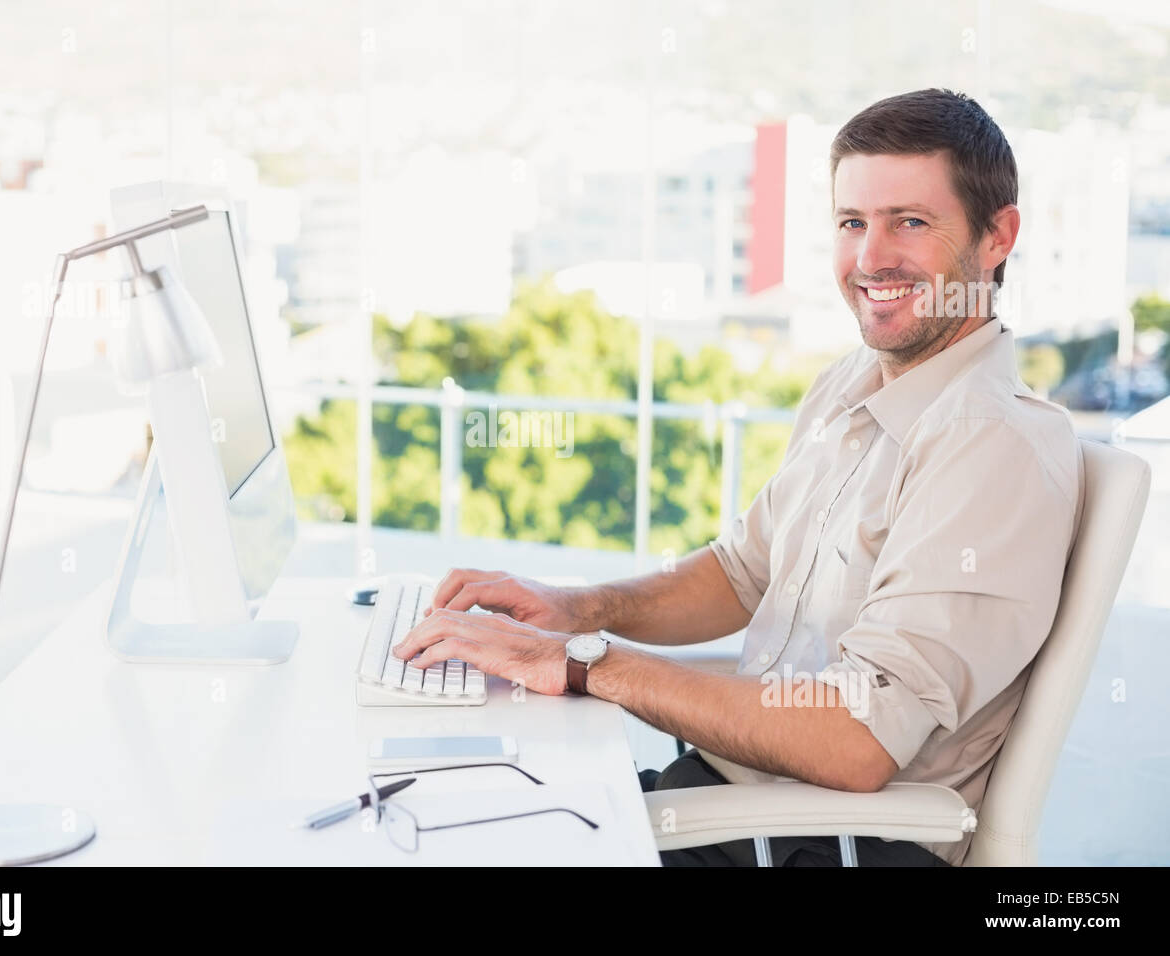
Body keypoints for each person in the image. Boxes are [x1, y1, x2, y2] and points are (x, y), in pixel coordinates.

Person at [392, 88, 1084, 867]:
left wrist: (584, 663)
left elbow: (858, 742)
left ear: (998, 237)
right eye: (852, 222)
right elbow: (741, 572)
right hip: (734, 804)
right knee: (437, 818)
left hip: (828, 844)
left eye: (911, 222)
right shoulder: (855, 384)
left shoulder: (990, 444)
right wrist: (572, 609)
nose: (870, 258)